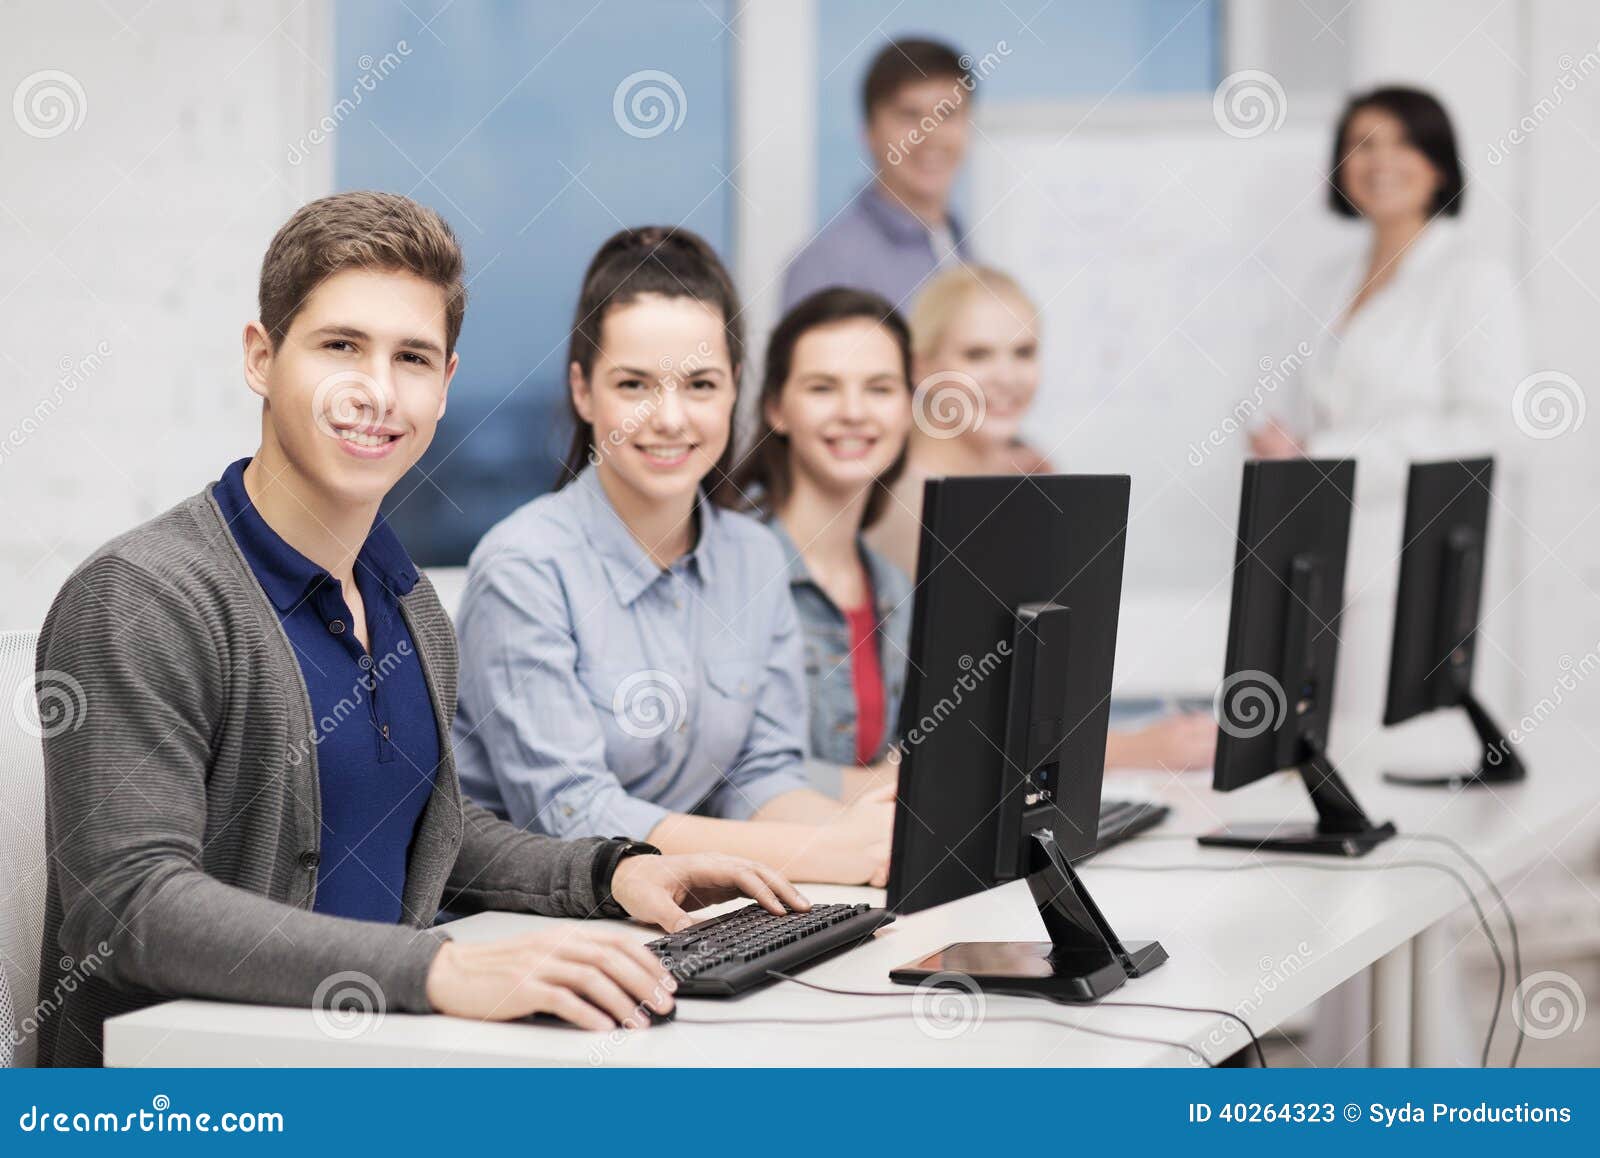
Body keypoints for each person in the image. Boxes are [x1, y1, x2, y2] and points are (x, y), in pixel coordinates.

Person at [31, 192, 808, 1067]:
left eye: (412, 358)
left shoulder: (408, 607)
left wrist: (613, 872)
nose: (376, 390)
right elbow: (130, 906)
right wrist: (438, 969)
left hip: (366, 1063)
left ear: (444, 386)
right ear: (261, 357)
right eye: (341, 346)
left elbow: (431, 829)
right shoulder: (143, 596)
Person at [453, 228, 895, 887]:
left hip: (683, 911)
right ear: (582, 391)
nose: (669, 418)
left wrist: (867, 839)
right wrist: (822, 853)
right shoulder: (524, 568)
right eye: (634, 384)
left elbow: (760, 775)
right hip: (526, 918)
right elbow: (573, 814)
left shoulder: (754, 557)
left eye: (700, 384)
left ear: (735, 389)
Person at [867, 263, 1217, 772]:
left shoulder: (1022, 474)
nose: (1007, 377)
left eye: (1024, 352)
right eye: (977, 354)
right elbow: (965, 723)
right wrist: (1140, 750)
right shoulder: (912, 502)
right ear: (921, 368)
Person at [1249, 86, 1521, 498]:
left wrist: (1324, 454)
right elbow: (1310, 413)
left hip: (1419, 528)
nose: (1381, 162)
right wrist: (1282, 443)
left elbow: (1494, 431)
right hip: (1321, 520)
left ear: (1439, 166)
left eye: (1404, 143)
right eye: (1363, 145)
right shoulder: (1327, 282)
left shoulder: (1474, 278)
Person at [724, 287, 915, 805]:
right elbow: (727, 775)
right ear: (776, 408)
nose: (853, 412)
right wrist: (886, 786)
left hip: (857, 852)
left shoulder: (894, 589)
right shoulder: (731, 570)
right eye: (823, 387)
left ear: (907, 408)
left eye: (879, 388)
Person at [781, 38, 974, 312]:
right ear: (870, 132)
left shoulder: (961, 246)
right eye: (909, 115)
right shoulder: (827, 266)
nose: (932, 134)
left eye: (948, 114)